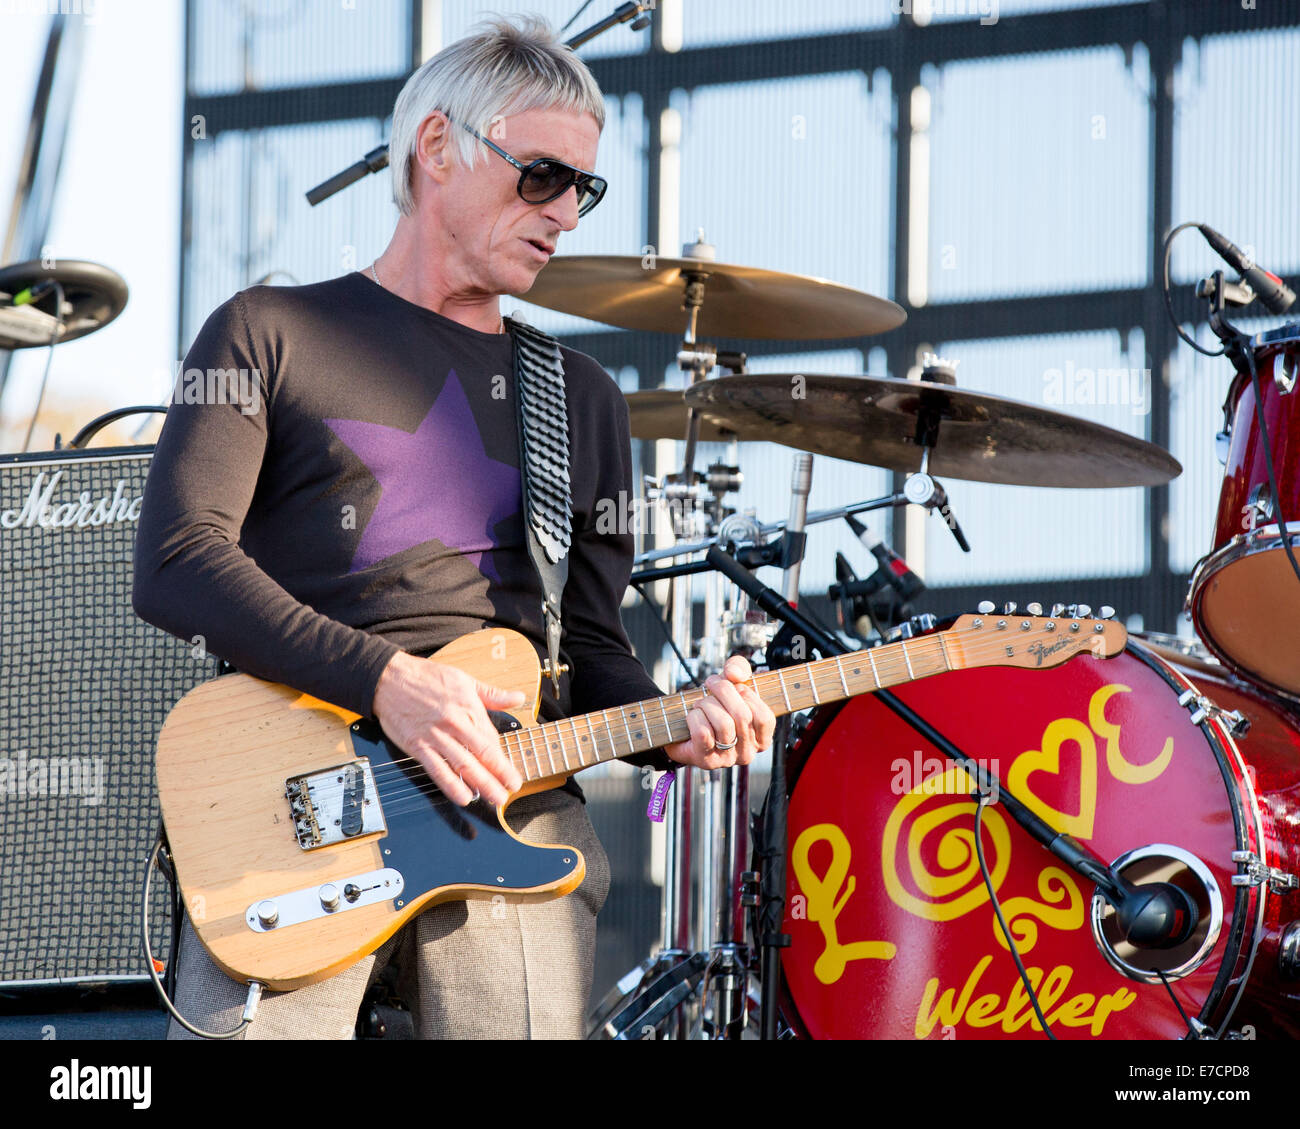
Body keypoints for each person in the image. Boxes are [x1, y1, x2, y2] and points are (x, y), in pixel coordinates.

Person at [133, 14, 775, 1040]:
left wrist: (681, 722)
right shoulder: (269, 330)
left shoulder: (583, 394)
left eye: (585, 189)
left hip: (512, 811)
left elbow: (592, 652)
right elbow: (175, 562)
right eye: (541, 177)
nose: (566, 214)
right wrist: (391, 682)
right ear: (437, 147)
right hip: (291, 807)